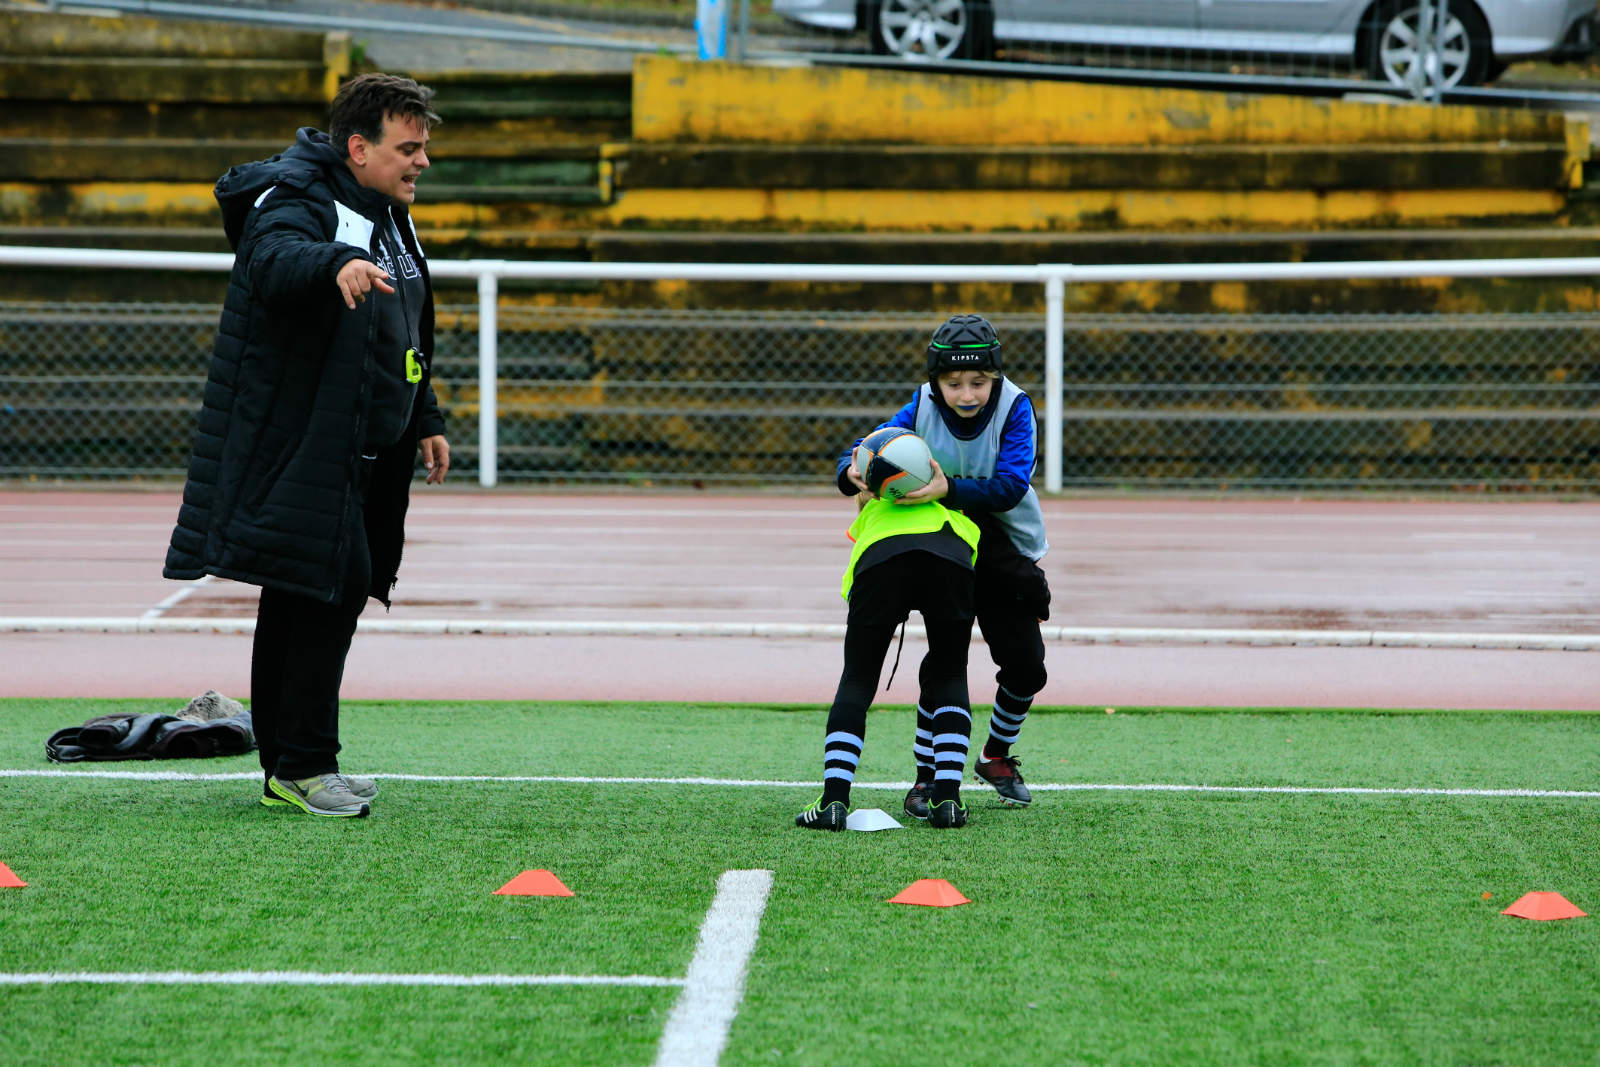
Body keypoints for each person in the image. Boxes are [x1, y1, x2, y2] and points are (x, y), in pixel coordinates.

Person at [164, 74, 450, 818]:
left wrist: (425, 414)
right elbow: (272, 258)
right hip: (307, 439)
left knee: (310, 592)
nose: (422, 162)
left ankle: (290, 765)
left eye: (423, 147)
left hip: (368, 443)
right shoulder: (296, 195)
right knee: (324, 587)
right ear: (359, 148)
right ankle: (304, 764)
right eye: (408, 148)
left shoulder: (388, 210)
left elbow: (402, 324)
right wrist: (333, 263)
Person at [837, 313, 1051, 818]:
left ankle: (995, 755)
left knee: (1027, 667)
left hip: (1001, 542)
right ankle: (927, 777)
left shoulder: (1016, 407)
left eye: (978, 382)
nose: (967, 394)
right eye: (954, 383)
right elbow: (869, 446)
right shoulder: (922, 403)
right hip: (943, 538)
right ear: (936, 381)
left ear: (995, 377)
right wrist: (851, 473)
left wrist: (946, 488)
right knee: (945, 662)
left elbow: (1010, 485)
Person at [797, 436, 982, 831]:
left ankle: (833, 801)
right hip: (950, 557)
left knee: (858, 679)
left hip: (881, 560)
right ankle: (947, 800)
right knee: (950, 674)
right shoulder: (954, 513)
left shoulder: (872, 514)